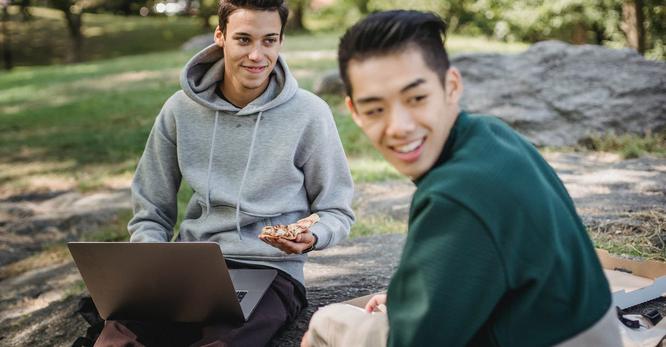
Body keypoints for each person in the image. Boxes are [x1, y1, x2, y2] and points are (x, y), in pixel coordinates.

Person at [302, 10, 621, 347]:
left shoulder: (456, 196)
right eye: (375, 109)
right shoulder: (490, 134)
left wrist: (330, 323)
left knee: (326, 327)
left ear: (451, 86)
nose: (399, 126)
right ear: (355, 112)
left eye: (416, 98)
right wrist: (410, 300)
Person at [94, 0, 355, 345]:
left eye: (269, 40)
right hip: (189, 265)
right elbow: (151, 209)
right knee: (118, 334)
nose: (257, 55)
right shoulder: (179, 110)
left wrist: (314, 236)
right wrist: (151, 267)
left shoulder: (309, 113)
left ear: (280, 41)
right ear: (220, 37)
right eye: (244, 40)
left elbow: (337, 209)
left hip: (270, 270)